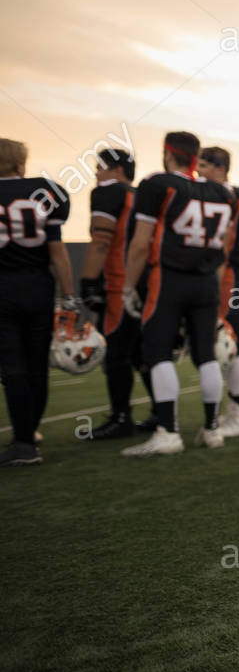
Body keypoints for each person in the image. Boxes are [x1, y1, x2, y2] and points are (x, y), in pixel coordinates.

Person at [120, 131, 233, 456]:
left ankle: (168, 432)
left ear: (168, 154)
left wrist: (128, 286)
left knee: (157, 353)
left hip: (169, 279)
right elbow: (223, 245)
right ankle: (212, 430)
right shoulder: (222, 193)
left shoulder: (158, 184)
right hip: (206, 281)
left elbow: (141, 244)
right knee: (206, 356)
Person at [0, 138, 76, 465]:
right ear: (20, 163)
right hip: (38, 286)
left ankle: (24, 442)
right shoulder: (47, 191)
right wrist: (70, 295)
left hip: (2, 288)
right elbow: (57, 251)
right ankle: (29, 434)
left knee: (13, 367)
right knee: (36, 365)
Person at [79, 148, 154, 439]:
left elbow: (101, 241)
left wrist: (88, 280)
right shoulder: (139, 195)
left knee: (117, 354)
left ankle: (121, 417)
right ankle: (160, 410)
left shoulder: (109, 192)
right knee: (138, 352)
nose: (97, 173)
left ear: (118, 169)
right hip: (143, 282)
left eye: (101, 166)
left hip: (119, 282)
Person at [195, 146, 239, 439]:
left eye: (205, 166)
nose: (199, 172)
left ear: (220, 168)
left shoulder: (227, 196)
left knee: (233, 340)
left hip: (231, 274)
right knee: (237, 339)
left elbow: (225, 241)